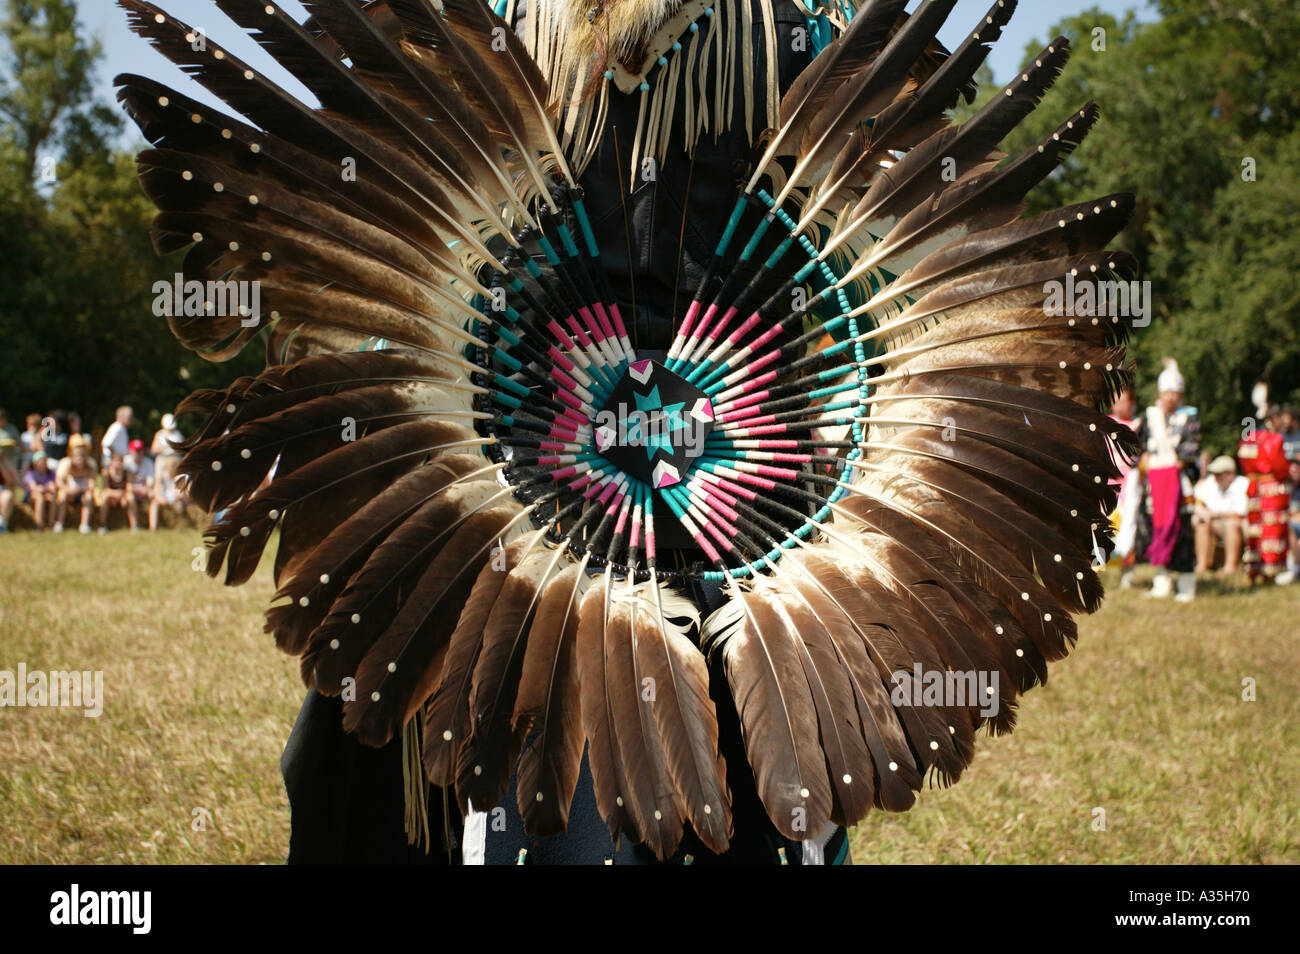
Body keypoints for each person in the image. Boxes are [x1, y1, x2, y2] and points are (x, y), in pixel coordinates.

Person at [1135, 358, 1200, 602]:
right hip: (1155, 485)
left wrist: (1173, 465)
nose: (1170, 397)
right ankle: (1161, 580)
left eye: (1174, 393)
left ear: (1180, 394)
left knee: (1181, 530)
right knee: (1156, 528)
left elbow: (1190, 449)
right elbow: (1138, 446)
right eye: (1166, 393)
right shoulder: (1151, 417)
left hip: (1178, 485)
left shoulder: (1190, 417)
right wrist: (1144, 461)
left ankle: (1186, 584)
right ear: (1160, 394)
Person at [1237, 404, 1291, 583]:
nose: (1283, 422)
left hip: (1254, 488)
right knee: (1271, 529)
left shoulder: (1249, 436)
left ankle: (1253, 568)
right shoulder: (1274, 439)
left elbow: (1243, 460)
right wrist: (1287, 474)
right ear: (1272, 419)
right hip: (1271, 488)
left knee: (1255, 529)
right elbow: (1280, 465)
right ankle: (1270, 569)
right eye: (1280, 418)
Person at [1108, 387, 1142, 587]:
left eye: (1124, 401)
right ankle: (1095, 570)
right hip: (1106, 484)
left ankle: (1127, 573)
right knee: (1102, 528)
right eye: (1116, 400)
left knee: (1128, 527)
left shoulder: (1137, 426)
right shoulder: (1103, 424)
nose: (1119, 404)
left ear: (1132, 404)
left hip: (1129, 485)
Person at [1192, 456, 1249, 574]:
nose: (1215, 477)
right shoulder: (1210, 484)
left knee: (1231, 524)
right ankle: (1202, 565)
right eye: (1215, 474)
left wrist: (1216, 514)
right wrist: (1203, 512)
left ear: (1231, 474)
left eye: (1219, 474)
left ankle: (1230, 567)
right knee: (1201, 523)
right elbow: (1199, 503)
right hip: (1218, 524)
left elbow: (1240, 514)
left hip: (1239, 525)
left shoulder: (1243, 484)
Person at [54, 435, 96, 534]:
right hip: (69, 491)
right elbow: (59, 481)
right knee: (62, 495)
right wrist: (68, 490)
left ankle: (84, 525)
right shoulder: (65, 463)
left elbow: (92, 483)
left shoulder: (91, 463)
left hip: (83, 492)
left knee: (88, 497)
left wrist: (85, 490)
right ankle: (59, 523)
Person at [151, 413, 186, 514]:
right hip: (162, 460)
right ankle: (159, 495)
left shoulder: (178, 434)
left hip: (175, 460)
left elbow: (183, 448)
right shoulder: (159, 434)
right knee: (160, 479)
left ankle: (177, 497)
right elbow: (154, 449)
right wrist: (166, 447)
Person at [98, 453, 136, 533]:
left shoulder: (127, 473)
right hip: (111, 497)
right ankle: (102, 525)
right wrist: (116, 493)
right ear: (111, 462)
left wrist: (122, 494)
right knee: (104, 497)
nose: (118, 463)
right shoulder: (106, 473)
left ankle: (134, 525)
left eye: (120, 461)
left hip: (123, 496)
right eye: (116, 461)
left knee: (131, 497)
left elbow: (130, 488)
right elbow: (105, 489)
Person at [125, 439, 158, 530]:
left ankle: (153, 527)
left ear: (143, 451)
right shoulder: (125, 462)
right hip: (130, 490)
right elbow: (126, 483)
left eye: (140, 451)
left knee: (154, 497)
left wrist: (146, 490)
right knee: (130, 497)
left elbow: (150, 482)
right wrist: (137, 490)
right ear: (130, 451)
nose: (138, 453)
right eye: (136, 451)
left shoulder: (148, 463)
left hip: (144, 489)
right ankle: (134, 525)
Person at [23, 451, 58, 530]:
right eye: (41, 461)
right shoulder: (30, 473)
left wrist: (45, 489)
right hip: (31, 497)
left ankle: (51, 523)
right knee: (40, 498)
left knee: (52, 498)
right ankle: (39, 524)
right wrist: (46, 488)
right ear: (35, 463)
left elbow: (53, 487)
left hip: (45, 494)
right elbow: (34, 488)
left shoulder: (51, 473)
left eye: (45, 461)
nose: (43, 463)